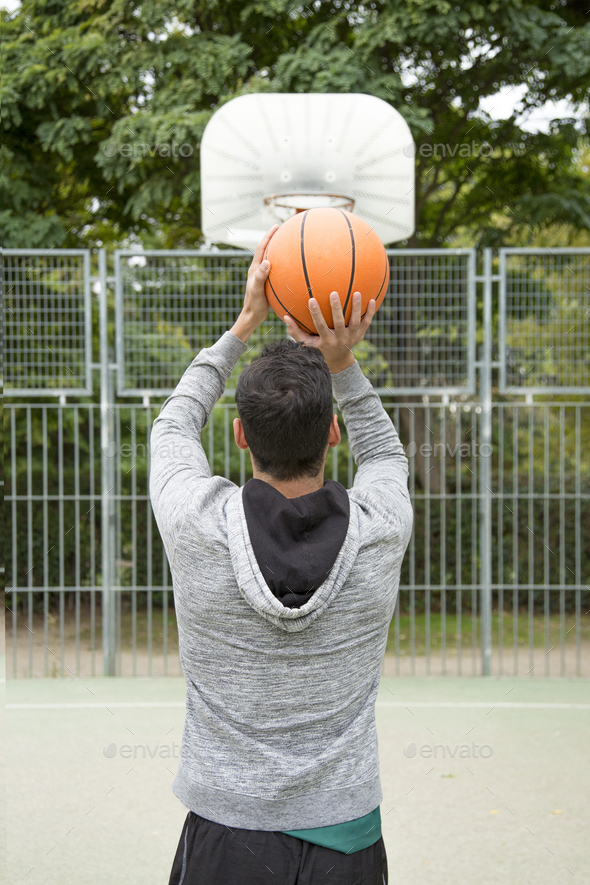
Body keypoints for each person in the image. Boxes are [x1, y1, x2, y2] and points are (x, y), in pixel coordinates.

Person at [149, 226, 413, 885]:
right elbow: (384, 454)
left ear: (239, 435)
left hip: (225, 835)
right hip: (345, 839)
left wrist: (244, 322)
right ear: (332, 431)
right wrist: (343, 362)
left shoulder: (195, 521)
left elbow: (174, 423)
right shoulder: (381, 524)